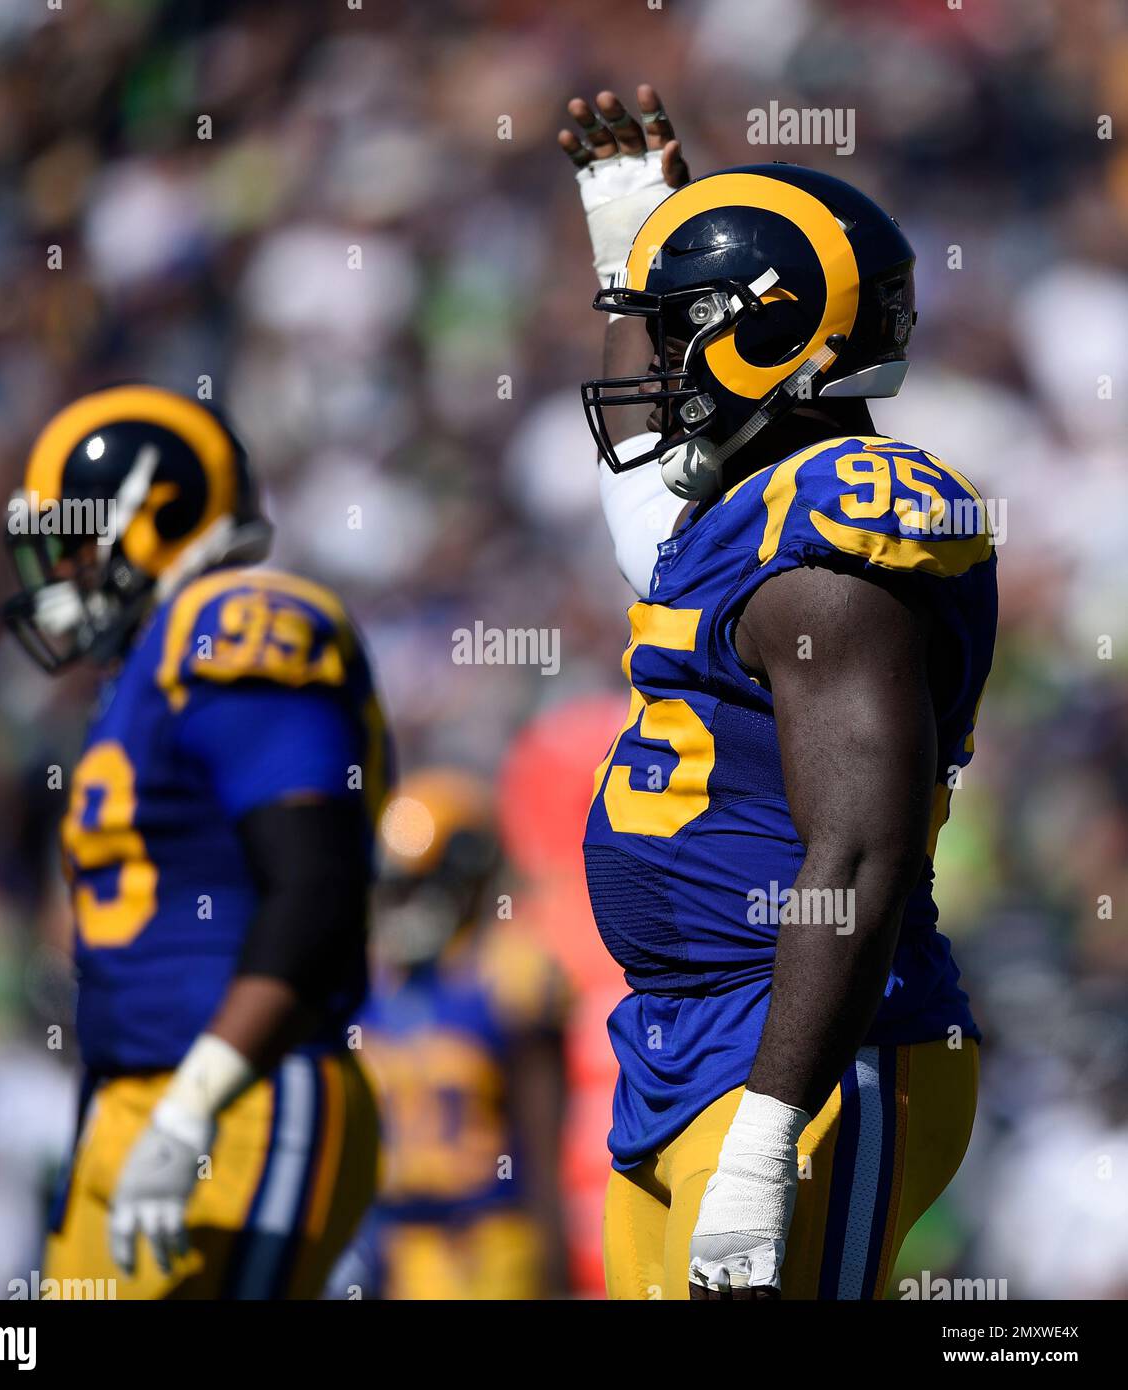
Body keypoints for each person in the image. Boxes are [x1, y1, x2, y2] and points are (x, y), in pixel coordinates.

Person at [559, 86, 994, 1300]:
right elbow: (633, 500)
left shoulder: (838, 531)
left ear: (761, 337)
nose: (646, 364)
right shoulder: (742, 513)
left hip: (808, 1048)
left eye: (668, 331)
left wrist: (767, 1132)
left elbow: (856, 855)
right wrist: (634, 219)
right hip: (689, 1043)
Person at [3, 384, 390, 1298]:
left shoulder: (239, 622)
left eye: (80, 543)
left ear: (157, 508)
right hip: (129, 1105)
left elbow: (314, 889)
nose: (64, 576)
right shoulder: (148, 663)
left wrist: (192, 1107)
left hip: (239, 1099)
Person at [329, 769, 569, 1299]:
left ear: (464, 876)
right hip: (390, 1244)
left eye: (418, 885)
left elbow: (542, 1149)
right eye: (394, 888)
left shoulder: (509, 977)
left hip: (488, 1243)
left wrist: (555, 1265)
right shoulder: (371, 987)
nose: (401, 904)